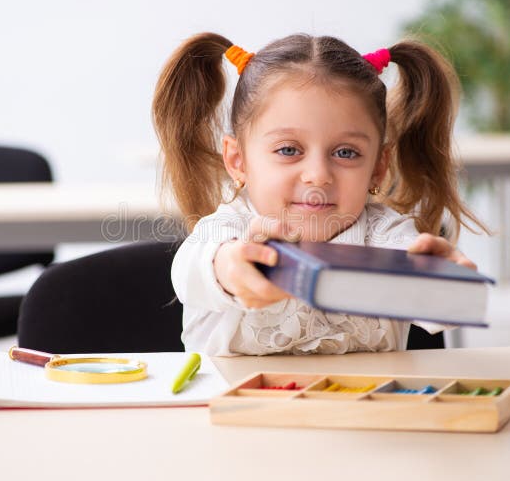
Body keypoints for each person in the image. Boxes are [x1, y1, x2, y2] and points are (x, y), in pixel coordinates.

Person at [153, 32, 488, 356]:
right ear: (238, 160)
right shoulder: (227, 230)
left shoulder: (387, 236)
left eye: (345, 152)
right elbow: (191, 271)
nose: (318, 175)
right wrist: (230, 267)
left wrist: (447, 282)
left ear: (377, 168)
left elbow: (440, 305)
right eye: (288, 150)